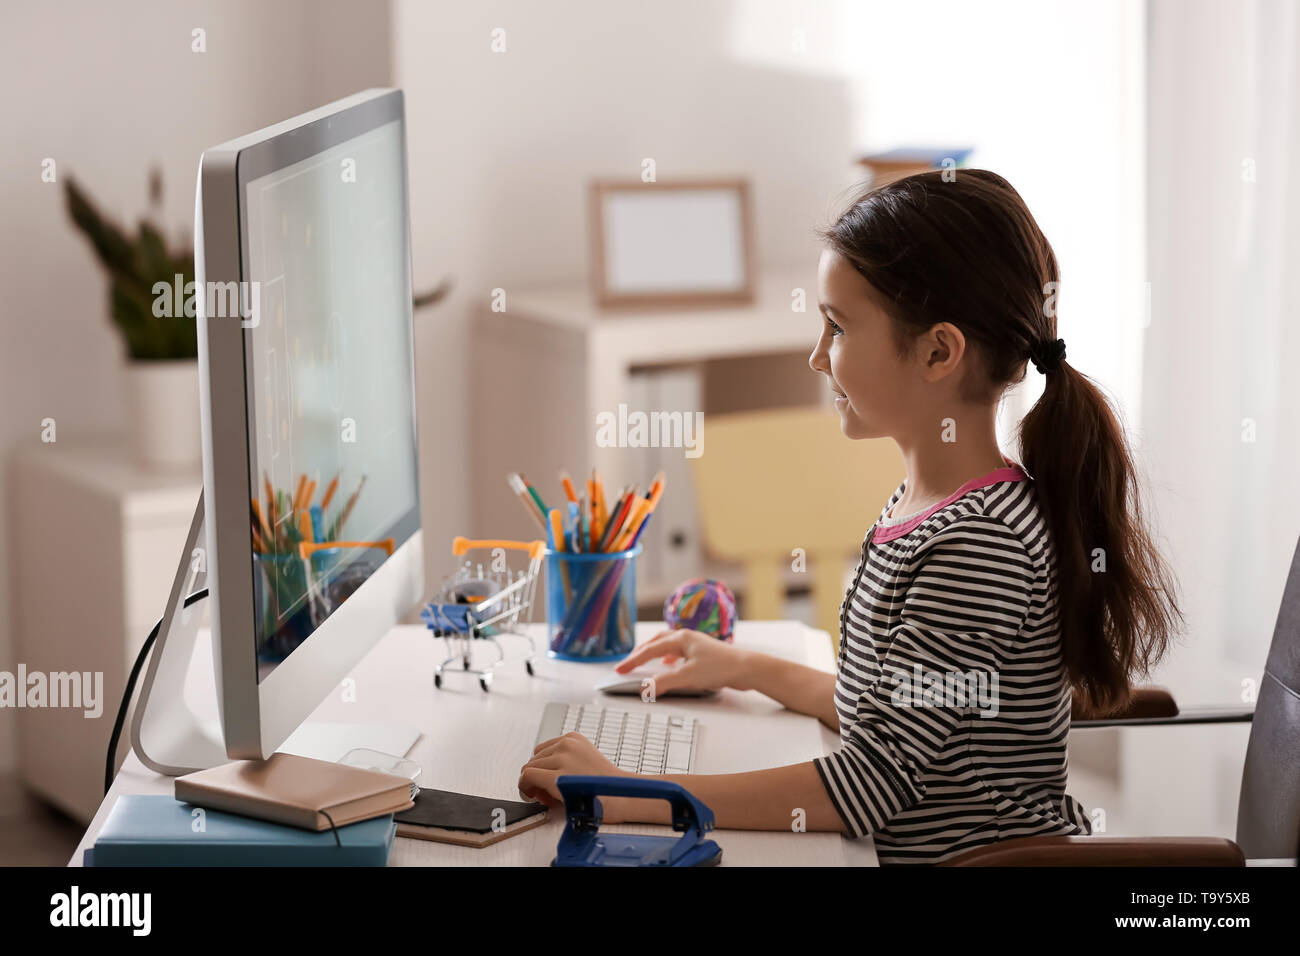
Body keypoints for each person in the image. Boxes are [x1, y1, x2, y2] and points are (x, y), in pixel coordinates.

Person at [518, 169, 1182, 864]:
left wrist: (631, 794)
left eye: (836, 326)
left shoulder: (978, 544)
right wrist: (744, 666)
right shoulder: (930, 508)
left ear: (938, 351)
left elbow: (868, 786)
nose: (816, 355)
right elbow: (887, 718)